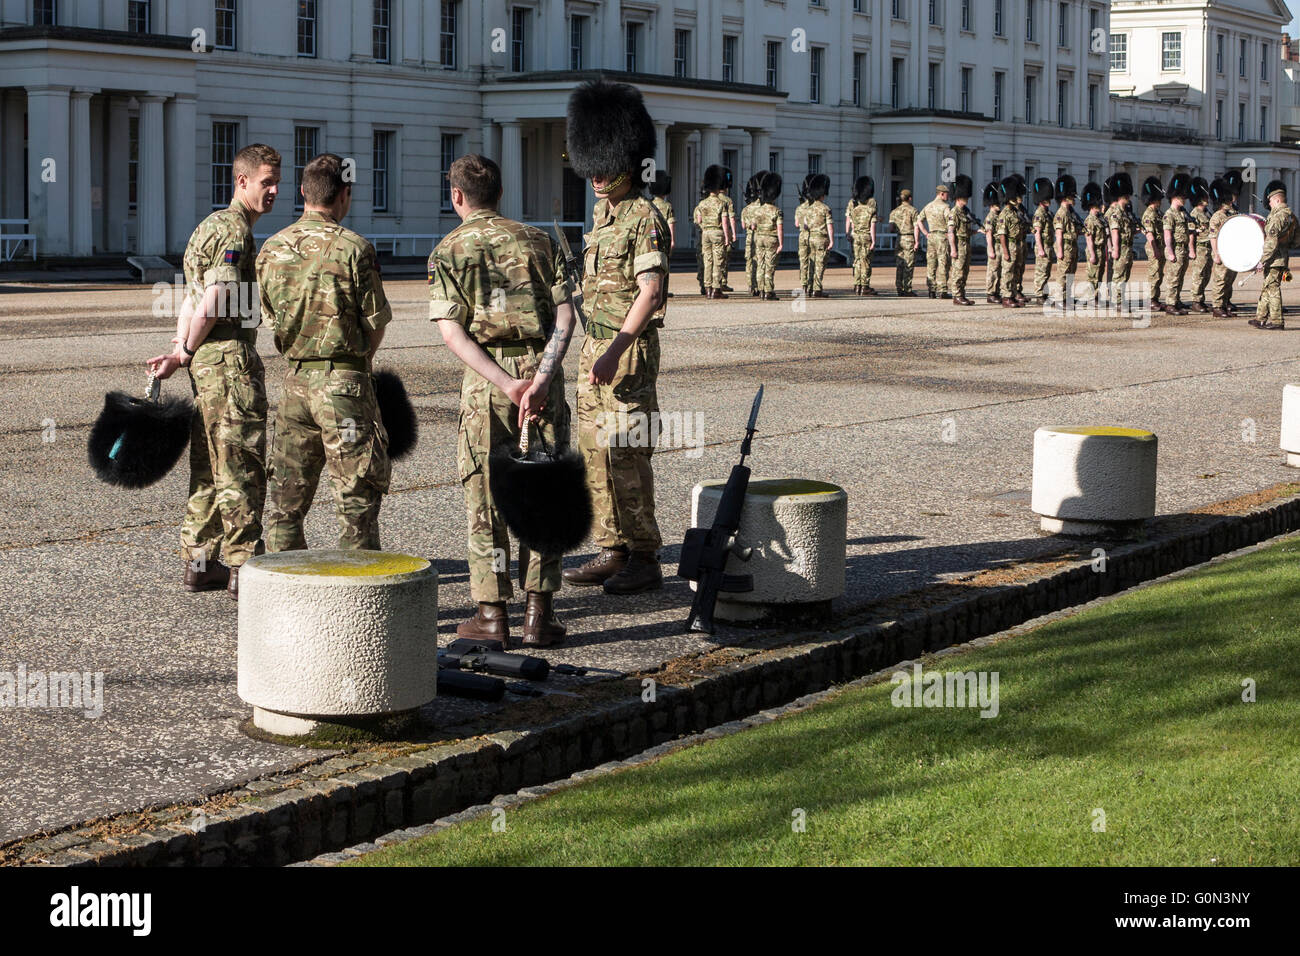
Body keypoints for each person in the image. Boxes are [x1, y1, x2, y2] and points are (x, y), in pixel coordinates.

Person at [429, 154, 576, 647]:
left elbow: (452, 333)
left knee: (486, 496)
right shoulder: (539, 240)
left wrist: (504, 382)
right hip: (542, 374)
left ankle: (492, 614)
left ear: (457, 196)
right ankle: (540, 614)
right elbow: (566, 319)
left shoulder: (449, 250)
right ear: (500, 192)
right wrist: (539, 378)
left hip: (487, 381)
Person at [146, 143, 280, 599]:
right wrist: (183, 351)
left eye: (278, 181)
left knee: (208, 465)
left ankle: (201, 564)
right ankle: (246, 567)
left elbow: (190, 299)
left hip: (206, 362)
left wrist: (180, 351)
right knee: (241, 463)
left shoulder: (208, 227)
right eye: (266, 182)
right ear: (241, 181)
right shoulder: (235, 233)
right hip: (228, 361)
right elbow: (216, 298)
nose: (275, 190)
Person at [562, 78, 669, 594]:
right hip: (594, 349)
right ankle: (613, 548)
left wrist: (615, 350)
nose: (598, 177)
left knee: (626, 453)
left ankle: (645, 555)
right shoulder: (603, 220)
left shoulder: (644, 217)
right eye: (592, 166)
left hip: (624, 354)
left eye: (607, 165)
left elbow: (649, 293)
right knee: (594, 452)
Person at [257, 153, 391, 556]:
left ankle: (282, 589)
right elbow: (376, 320)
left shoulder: (271, 248)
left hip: (295, 382)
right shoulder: (354, 248)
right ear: (344, 195)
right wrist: (358, 363)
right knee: (356, 498)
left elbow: (268, 316)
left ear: (303, 192)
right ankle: (358, 596)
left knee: (285, 501)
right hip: (344, 383)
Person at [1248, 179, 1297, 331]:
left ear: (1276, 199)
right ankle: (1260, 318)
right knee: (1267, 287)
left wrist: (1262, 260)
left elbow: (1271, 241)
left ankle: (1277, 321)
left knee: (1273, 288)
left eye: (1270, 201)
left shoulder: (1277, 217)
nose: (1269, 204)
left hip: (1274, 259)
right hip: (1282, 256)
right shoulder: (1291, 216)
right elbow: (1296, 240)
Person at [694, 165, 730, 299]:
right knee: (718, 261)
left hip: (705, 233)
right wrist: (727, 237)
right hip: (717, 232)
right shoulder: (721, 203)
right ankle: (716, 288)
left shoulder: (702, 204)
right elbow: (725, 221)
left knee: (707, 261)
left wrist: (704, 227)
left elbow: (698, 220)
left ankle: (707, 287)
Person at [1160, 173, 1193, 315]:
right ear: (1175, 196)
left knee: (1180, 277)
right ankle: (1170, 304)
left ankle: (1176, 300)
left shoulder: (1182, 214)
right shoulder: (1169, 214)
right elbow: (1167, 235)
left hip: (1183, 249)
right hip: (1176, 248)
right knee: (1173, 277)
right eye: (1182, 197)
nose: (1185, 200)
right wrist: (1170, 252)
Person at [1207, 177, 1238, 318]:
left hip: (1232, 251)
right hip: (1222, 251)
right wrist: (1216, 253)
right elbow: (1213, 236)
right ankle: (1217, 307)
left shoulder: (1232, 214)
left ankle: (1225, 304)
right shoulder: (1216, 216)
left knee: (1229, 280)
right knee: (1220, 280)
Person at [750, 171, 784, 300]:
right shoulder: (777, 211)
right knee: (769, 266)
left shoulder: (757, 210)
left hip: (759, 238)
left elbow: (753, 226)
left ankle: (761, 290)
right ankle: (769, 291)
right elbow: (779, 228)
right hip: (771, 238)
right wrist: (781, 243)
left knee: (760, 264)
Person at [1105, 172, 1136, 304]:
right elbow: (1114, 232)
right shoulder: (1116, 213)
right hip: (1121, 247)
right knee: (1118, 275)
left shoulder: (1126, 213)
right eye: (1126, 195)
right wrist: (1115, 249)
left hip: (1127, 247)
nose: (1128, 197)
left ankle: (1120, 299)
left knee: (1125, 275)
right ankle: (1116, 300)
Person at [998, 176, 1028, 308]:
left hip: (1017, 244)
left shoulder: (1015, 212)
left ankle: (1014, 295)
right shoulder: (1004, 214)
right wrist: (1005, 251)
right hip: (1010, 244)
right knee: (1008, 271)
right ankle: (1006, 297)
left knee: (1016, 271)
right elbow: (1002, 234)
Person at [846, 175, 878, 295]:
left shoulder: (854, 206)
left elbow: (849, 220)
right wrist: (874, 240)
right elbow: (872, 225)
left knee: (857, 260)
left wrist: (849, 232)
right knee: (866, 261)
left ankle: (857, 284)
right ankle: (865, 286)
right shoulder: (871, 204)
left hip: (855, 235)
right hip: (866, 235)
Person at [803, 174, 833, 297]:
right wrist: (832, 241)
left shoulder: (808, 209)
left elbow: (805, 225)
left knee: (811, 263)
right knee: (820, 264)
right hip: (821, 238)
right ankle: (817, 288)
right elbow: (830, 226)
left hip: (811, 238)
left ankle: (809, 287)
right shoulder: (826, 209)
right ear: (822, 194)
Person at [919, 183, 952, 299]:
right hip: (942, 236)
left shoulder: (928, 206)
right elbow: (951, 222)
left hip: (931, 236)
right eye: (947, 194)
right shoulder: (945, 207)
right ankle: (942, 290)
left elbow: (918, 220)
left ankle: (931, 290)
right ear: (942, 194)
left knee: (931, 264)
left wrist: (925, 233)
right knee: (943, 263)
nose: (948, 196)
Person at [947, 175, 975, 305]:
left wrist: (976, 231)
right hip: (959, 244)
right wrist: (953, 249)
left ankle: (962, 294)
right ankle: (957, 295)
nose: (967, 200)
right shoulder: (954, 213)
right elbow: (951, 232)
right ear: (959, 198)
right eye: (965, 197)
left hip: (966, 243)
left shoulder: (965, 212)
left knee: (965, 270)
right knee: (958, 271)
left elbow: (966, 230)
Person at [1186, 178, 1213, 312]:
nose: (1208, 199)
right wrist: (1191, 250)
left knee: (1206, 275)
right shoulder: (1194, 214)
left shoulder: (1207, 213)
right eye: (1205, 197)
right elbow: (1191, 233)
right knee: (1199, 275)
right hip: (1200, 248)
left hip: (1209, 248)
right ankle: (1196, 300)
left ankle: (1201, 299)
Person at [1140, 176, 1166, 310]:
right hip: (1153, 246)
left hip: (1160, 245)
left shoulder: (1158, 213)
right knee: (1154, 274)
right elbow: (1149, 233)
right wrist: (1155, 249)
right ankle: (1151, 299)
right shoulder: (1149, 214)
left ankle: (1155, 298)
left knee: (1159, 274)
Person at [1053, 175, 1080, 302]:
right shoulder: (1061, 213)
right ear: (1066, 197)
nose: (1074, 198)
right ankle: (1059, 298)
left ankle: (1066, 296)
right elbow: (1059, 233)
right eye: (1072, 196)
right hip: (1065, 246)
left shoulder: (1071, 213)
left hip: (1072, 246)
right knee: (1063, 274)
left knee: (1070, 273)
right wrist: (1059, 251)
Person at [1081, 181, 1108, 305]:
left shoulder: (1099, 219)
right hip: (1095, 249)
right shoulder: (1090, 220)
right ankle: (1091, 297)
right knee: (1093, 275)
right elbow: (1089, 238)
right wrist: (1092, 254)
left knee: (1099, 274)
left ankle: (1096, 296)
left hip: (1101, 249)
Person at [1029, 177, 1055, 304]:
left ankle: (1044, 294)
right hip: (1043, 245)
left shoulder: (1048, 213)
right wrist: (1040, 249)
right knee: (1041, 272)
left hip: (1048, 245)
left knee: (1046, 272)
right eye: (1046, 199)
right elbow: (1037, 232)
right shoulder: (1039, 213)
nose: (1049, 201)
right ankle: (1039, 295)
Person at [890, 188, 919, 296]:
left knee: (899, 264)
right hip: (909, 238)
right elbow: (916, 227)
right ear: (910, 198)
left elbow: (891, 228)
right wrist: (917, 241)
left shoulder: (894, 211)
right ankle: (907, 288)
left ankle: (899, 287)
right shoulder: (913, 211)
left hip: (899, 239)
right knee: (909, 265)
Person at [740, 173, 762, 296]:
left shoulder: (746, 209)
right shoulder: (762, 207)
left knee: (749, 262)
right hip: (760, 236)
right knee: (759, 261)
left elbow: (743, 226)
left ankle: (750, 285)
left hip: (749, 237)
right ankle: (759, 286)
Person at [982, 182, 1003, 304]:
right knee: (993, 270)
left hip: (1000, 245)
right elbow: (989, 234)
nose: (999, 205)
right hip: (994, 245)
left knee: (999, 270)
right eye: (997, 203)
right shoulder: (990, 217)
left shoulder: (998, 215)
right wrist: (990, 249)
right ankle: (991, 293)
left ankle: (997, 292)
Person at [795, 175, 815, 293]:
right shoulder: (815, 207)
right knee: (813, 260)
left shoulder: (800, 207)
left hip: (802, 236)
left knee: (803, 260)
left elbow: (797, 224)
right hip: (812, 235)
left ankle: (804, 284)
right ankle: (811, 283)